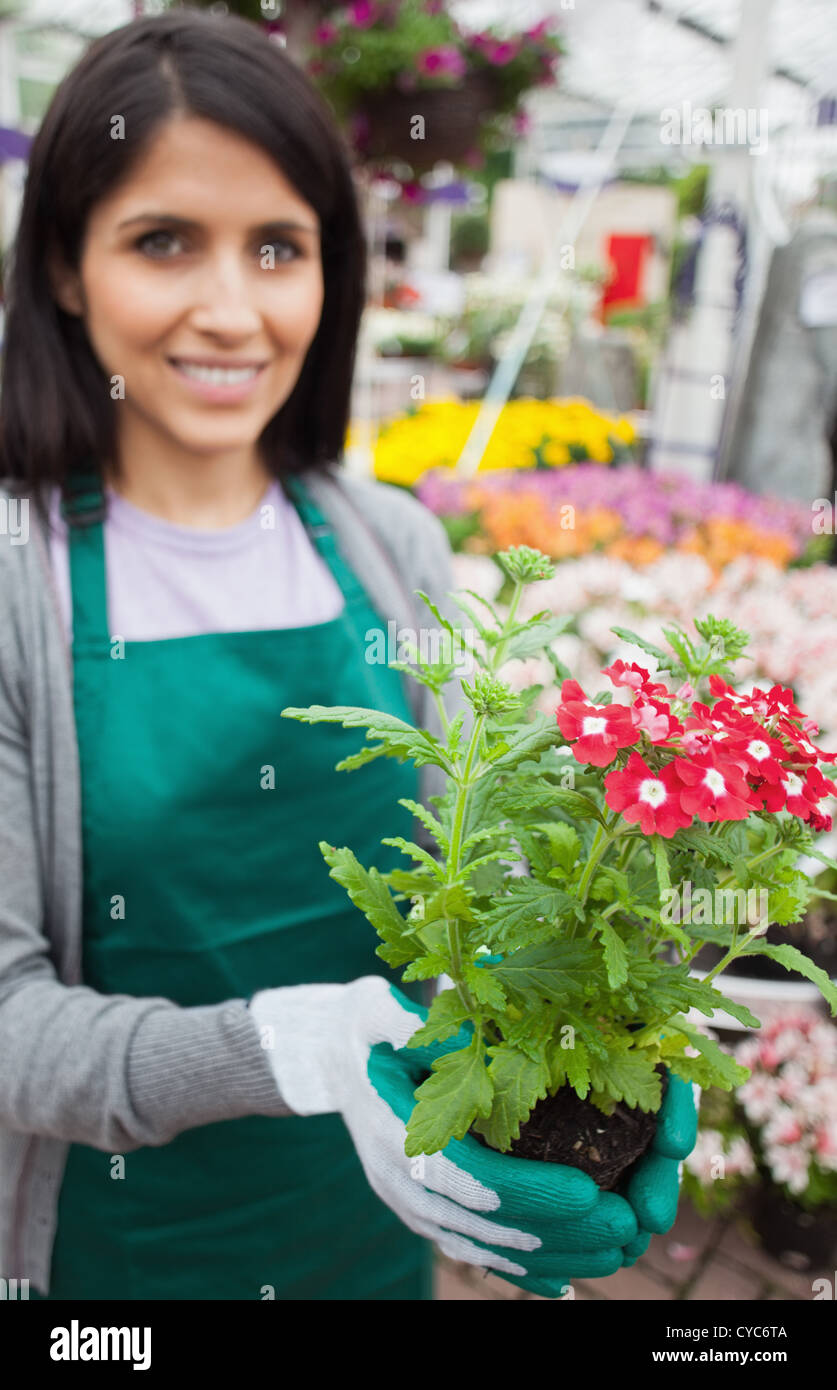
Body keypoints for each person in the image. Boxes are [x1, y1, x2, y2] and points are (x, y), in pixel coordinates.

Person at [0, 9, 694, 1302]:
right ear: (62, 268)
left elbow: (469, 891)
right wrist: (295, 1047)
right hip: (116, 1259)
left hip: (373, 1219)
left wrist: (590, 1037)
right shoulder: (14, 584)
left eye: (277, 246)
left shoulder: (385, 545)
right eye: (163, 242)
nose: (231, 308)